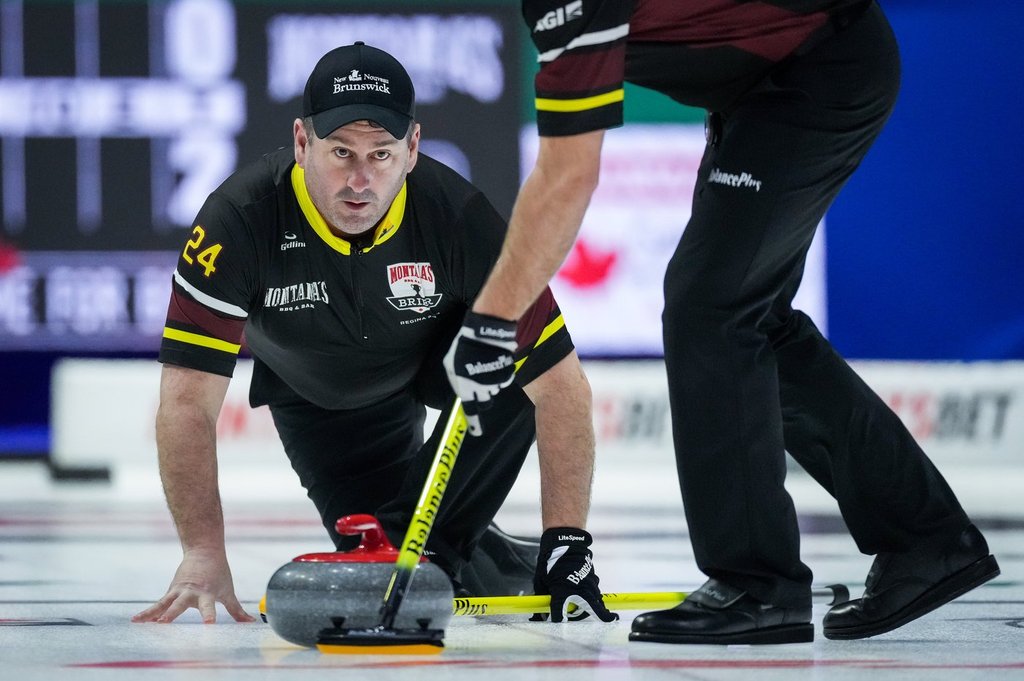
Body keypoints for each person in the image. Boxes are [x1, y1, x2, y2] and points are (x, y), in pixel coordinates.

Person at [443, 1, 1000, 644]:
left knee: (712, 309)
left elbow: (568, 176)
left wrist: (492, 320)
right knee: (747, 314)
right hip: (774, 87)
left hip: (815, 70)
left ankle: (757, 585)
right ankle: (926, 539)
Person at [132, 42, 616, 626]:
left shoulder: (459, 216)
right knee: (387, 566)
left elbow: (562, 386)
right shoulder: (237, 223)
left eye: (381, 155)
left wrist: (571, 544)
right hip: (320, 406)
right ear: (301, 143)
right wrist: (202, 554)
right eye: (341, 152)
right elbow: (186, 402)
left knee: (510, 358)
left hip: (439, 376)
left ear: (413, 149)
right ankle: (492, 560)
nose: (359, 180)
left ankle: (484, 554)